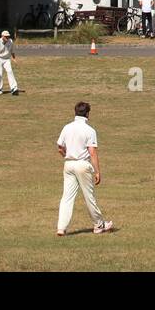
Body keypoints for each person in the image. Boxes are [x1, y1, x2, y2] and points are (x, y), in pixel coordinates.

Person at [56, 101, 114, 236]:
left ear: (75, 112)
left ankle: (61, 228)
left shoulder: (67, 127)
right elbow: (92, 152)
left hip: (68, 164)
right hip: (83, 165)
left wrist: (68, 156)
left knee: (66, 197)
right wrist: (98, 171)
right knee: (89, 197)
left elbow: (59, 147)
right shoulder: (90, 130)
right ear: (87, 114)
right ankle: (99, 225)